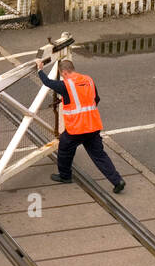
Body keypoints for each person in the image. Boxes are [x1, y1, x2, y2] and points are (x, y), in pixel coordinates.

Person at [36, 57, 125, 193]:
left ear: (64, 73)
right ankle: (117, 180)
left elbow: (47, 82)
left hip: (76, 129)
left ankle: (65, 176)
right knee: (100, 156)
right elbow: (96, 99)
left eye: (62, 76)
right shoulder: (88, 80)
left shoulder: (66, 85)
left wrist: (40, 69)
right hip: (93, 127)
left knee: (65, 149)